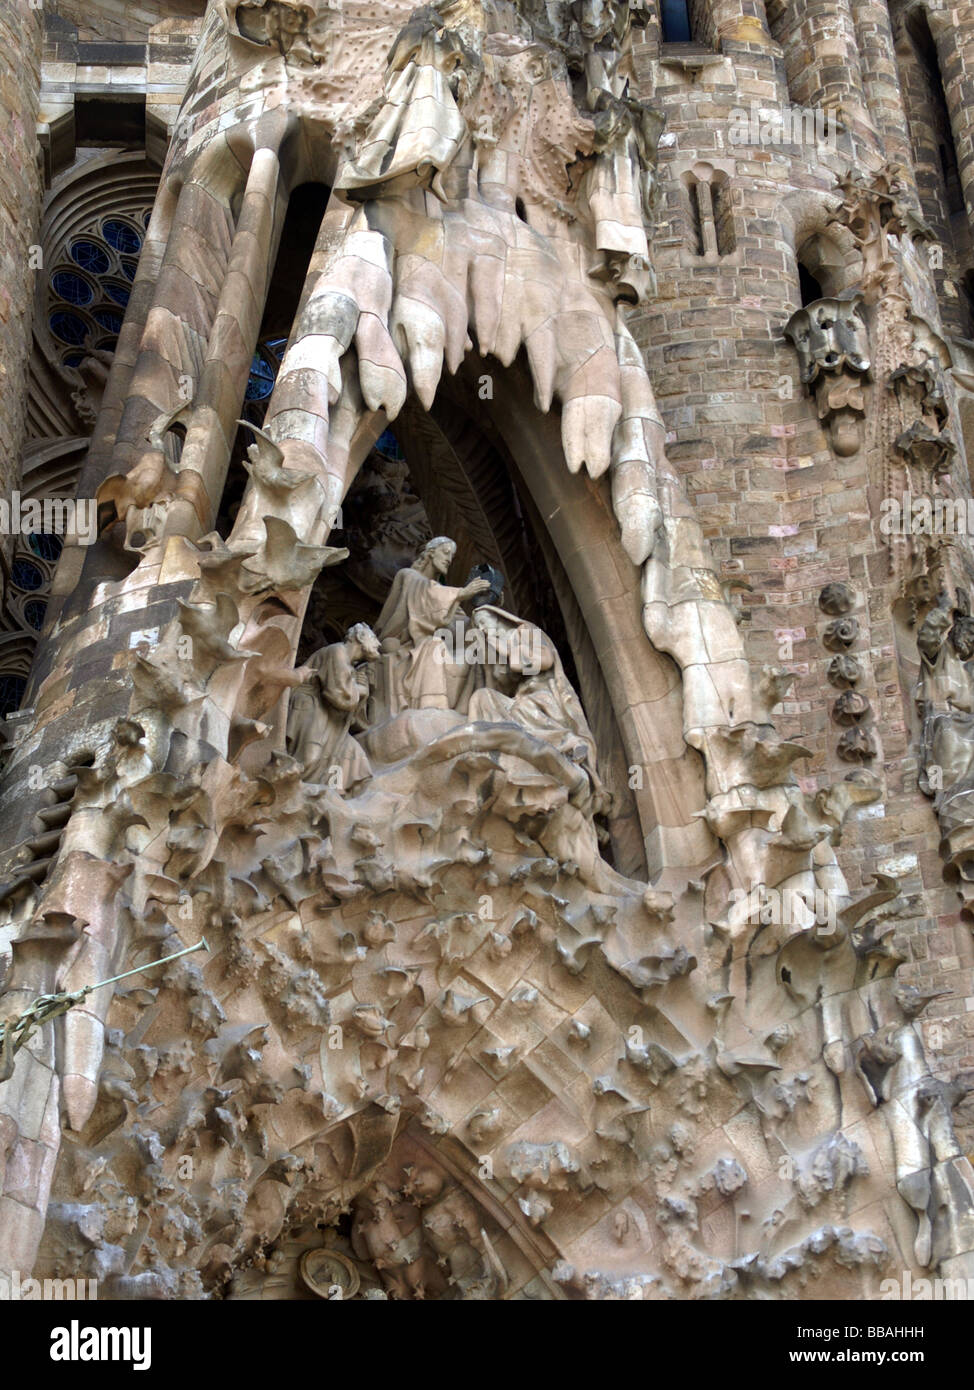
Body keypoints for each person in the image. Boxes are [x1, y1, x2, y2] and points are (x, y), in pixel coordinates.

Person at [373, 538, 490, 715]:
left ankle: (469, 710)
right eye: (445, 552)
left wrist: (484, 608)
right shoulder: (408, 576)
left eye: (451, 555)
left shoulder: (447, 597)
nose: (449, 559)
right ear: (430, 552)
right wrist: (461, 593)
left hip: (431, 645)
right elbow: (423, 597)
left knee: (475, 653)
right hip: (405, 643)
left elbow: (461, 629)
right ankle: (432, 704)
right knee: (434, 646)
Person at [286, 623, 380, 791]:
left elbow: (351, 709)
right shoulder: (336, 652)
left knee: (355, 757)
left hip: (327, 717)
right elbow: (338, 695)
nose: (378, 644)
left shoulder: (349, 666)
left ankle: (329, 799)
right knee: (310, 759)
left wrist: (361, 691)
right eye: (373, 638)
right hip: (309, 708)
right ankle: (290, 793)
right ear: (359, 637)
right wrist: (360, 690)